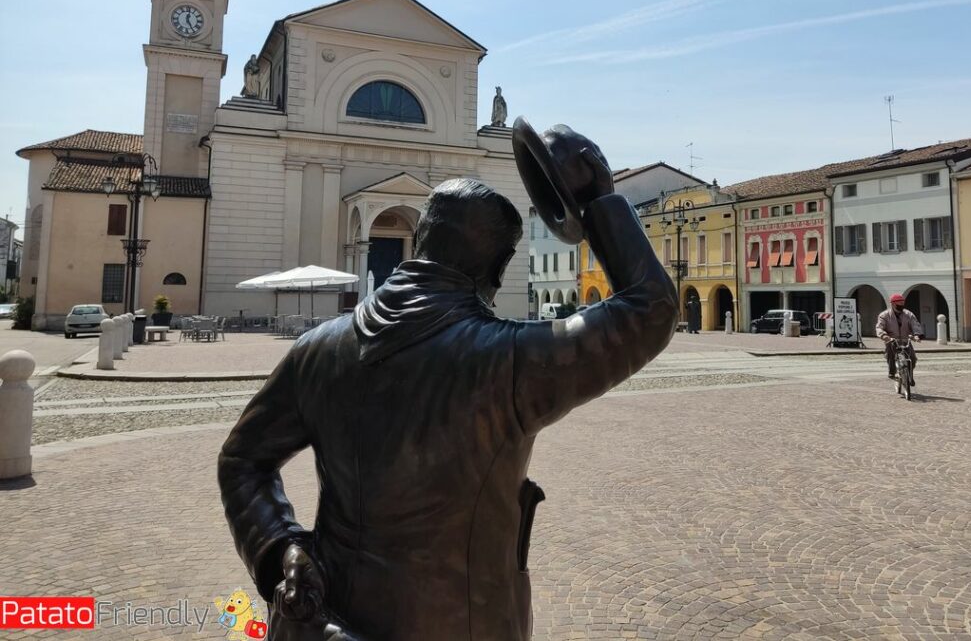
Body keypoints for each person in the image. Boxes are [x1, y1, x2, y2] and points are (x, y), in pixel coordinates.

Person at [217, 129, 679, 641]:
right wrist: (599, 201)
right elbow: (651, 309)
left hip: (332, 614)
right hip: (466, 623)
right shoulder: (507, 359)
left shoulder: (317, 349)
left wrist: (280, 548)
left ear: (420, 240)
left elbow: (241, 460)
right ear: (498, 270)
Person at [876, 293, 923, 382]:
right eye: (899, 303)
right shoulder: (884, 315)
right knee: (890, 354)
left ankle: (909, 375)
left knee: (912, 358)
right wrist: (884, 336)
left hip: (905, 339)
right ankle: (892, 372)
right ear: (893, 304)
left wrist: (917, 335)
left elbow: (915, 324)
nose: (902, 305)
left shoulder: (908, 314)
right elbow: (879, 327)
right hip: (891, 340)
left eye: (903, 303)